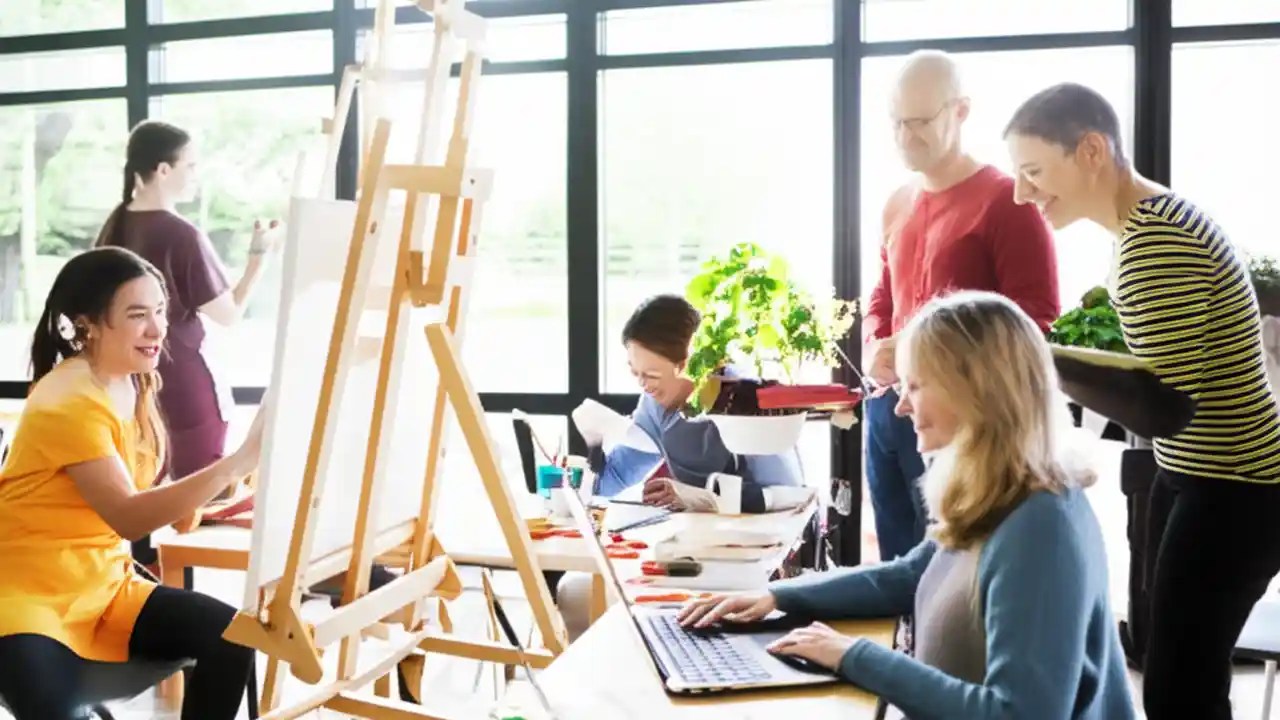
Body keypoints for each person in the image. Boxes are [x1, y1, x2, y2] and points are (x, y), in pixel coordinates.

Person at [678, 291, 1135, 720]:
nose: (899, 407)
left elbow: (1016, 714)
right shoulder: (1000, 489)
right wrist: (777, 596)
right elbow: (912, 574)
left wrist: (854, 655)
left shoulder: (1041, 525)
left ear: (976, 390)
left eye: (914, 386)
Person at [1004, 82, 1280, 720]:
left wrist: (1031, 354)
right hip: (1196, 473)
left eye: (1034, 171)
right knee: (1176, 672)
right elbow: (1158, 380)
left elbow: (1163, 406)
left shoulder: (1158, 241)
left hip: (1235, 487)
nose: (1022, 193)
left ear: (1092, 151)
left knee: (1181, 692)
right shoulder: (1149, 226)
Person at [0, 247, 265, 720]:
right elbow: (127, 515)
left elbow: (143, 496)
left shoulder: (131, 380)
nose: (158, 329)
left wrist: (238, 483)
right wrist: (235, 463)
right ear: (87, 325)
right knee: (52, 710)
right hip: (26, 594)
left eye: (161, 311)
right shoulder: (68, 400)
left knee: (233, 638)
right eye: (138, 315)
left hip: (106, 584)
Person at [863, 50, 1061, 561]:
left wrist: (941, 356)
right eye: (897, 123)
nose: (907, 136)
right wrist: (873, 350)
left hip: (964, 422)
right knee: (894, 567)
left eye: (921, 121)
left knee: (950, 575)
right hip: (889, 412)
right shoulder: (896, 202)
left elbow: (1035, 321)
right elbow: (882, 298)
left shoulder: (1006, 202)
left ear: (961, 111)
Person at [94, 120, 278, 572]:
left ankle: (145, 601)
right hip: (182, 386)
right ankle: (181, 609)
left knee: (138, 504)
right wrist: (259, 259)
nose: (195, 175)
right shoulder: (181, 234)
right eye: (189, 165)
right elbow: (228, 313)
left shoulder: (112, 229)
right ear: (162, 169)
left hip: (126, 387)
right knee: (193, 506)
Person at [583, 293, 805, 513]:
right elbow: (616, 476)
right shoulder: (655, 407)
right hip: (703, 537)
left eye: (652, 375)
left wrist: (698, 497)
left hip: (766, 536)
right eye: (635, 372)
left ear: (689, 363)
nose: (643, 385)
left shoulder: (743, 400)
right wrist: (572, 473)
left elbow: (789, 495)